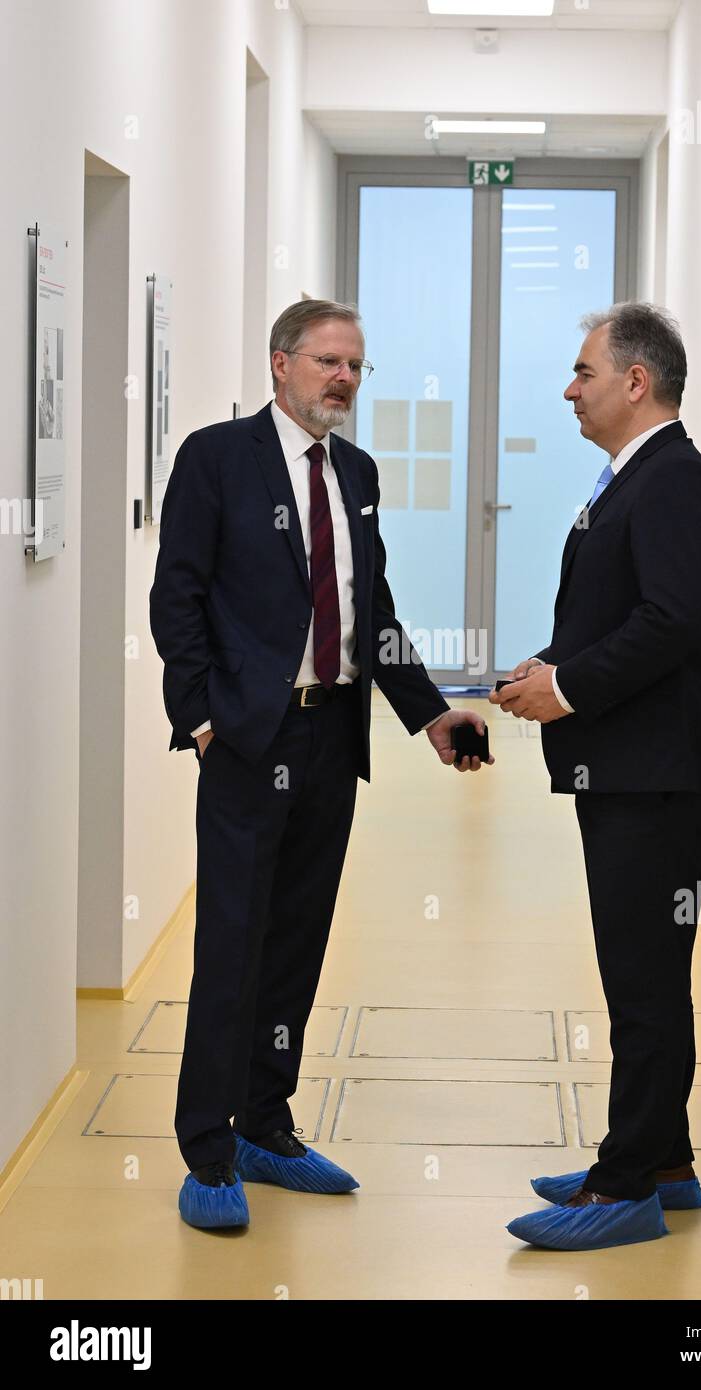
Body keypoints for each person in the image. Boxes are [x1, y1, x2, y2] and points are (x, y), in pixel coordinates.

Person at [150, 298, 493, 1230]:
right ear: (280, 364)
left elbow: (369, 610)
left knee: (298, 941)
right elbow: (175, 596)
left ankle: (264, 1123)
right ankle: (207, 1151)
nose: (342, 378)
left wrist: (429, 718)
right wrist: (202, 721)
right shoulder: (216, 459)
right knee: (232, 945)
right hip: (248, 740)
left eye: (355, 365)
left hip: (330, 739)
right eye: (327, 361)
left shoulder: (358, 471)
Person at [492, 302, 701, 1253]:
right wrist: (546, 668)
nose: (569, 389)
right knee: (646, 972)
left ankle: (623, 1181)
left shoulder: (673, 481)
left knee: (642, 982)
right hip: (634, 766)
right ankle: (666, 1160)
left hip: (659, 775)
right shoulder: (633, 480)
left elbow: (672, 621)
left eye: (582, 372)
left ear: (636, 383)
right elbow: (622, 611)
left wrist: (570, 686)